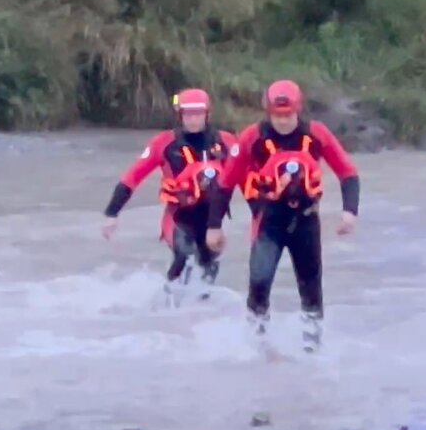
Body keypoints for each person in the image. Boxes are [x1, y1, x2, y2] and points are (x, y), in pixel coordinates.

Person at [206, 80, 359, 352]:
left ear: (297, 110)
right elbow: (225, 183)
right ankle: (256, 348)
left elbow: (347, 173)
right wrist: (214, 226)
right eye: (277, 116)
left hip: (306, 221)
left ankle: (312, 350)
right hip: (269, 221)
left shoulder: (317, 134)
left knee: (311, 289)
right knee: (259, 285)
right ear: (268, 112)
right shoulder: (252, 137)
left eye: (288, 115)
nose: (283, 121)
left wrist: (350, 212)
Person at [101, 88, 236, 299]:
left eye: (198, 114)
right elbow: (132, 177)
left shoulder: (227, 142)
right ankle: (167, 309)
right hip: (178, 217)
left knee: (208, 266)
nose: (193, 120)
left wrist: (261, 211)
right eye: (187, 114)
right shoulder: (164, 143)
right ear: (179, 115)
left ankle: (199, 315)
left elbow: (247, 177)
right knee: (185, 256)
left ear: (207, 114)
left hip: (213, 219)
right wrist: (112, 213)